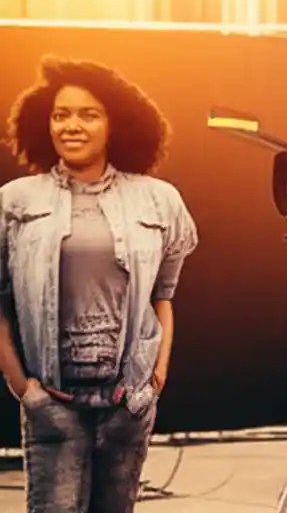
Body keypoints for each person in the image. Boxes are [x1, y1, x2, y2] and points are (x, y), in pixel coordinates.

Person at [0, 57, 198, 513]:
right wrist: (23, 389)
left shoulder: (157, 199)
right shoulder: (15, 202)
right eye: (60, 114)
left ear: (116, 124)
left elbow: (162, 299)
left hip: (126, 402)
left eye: (88, 114)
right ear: (43, 124)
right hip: (52, 402)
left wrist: (155, 380)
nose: (72, 125)